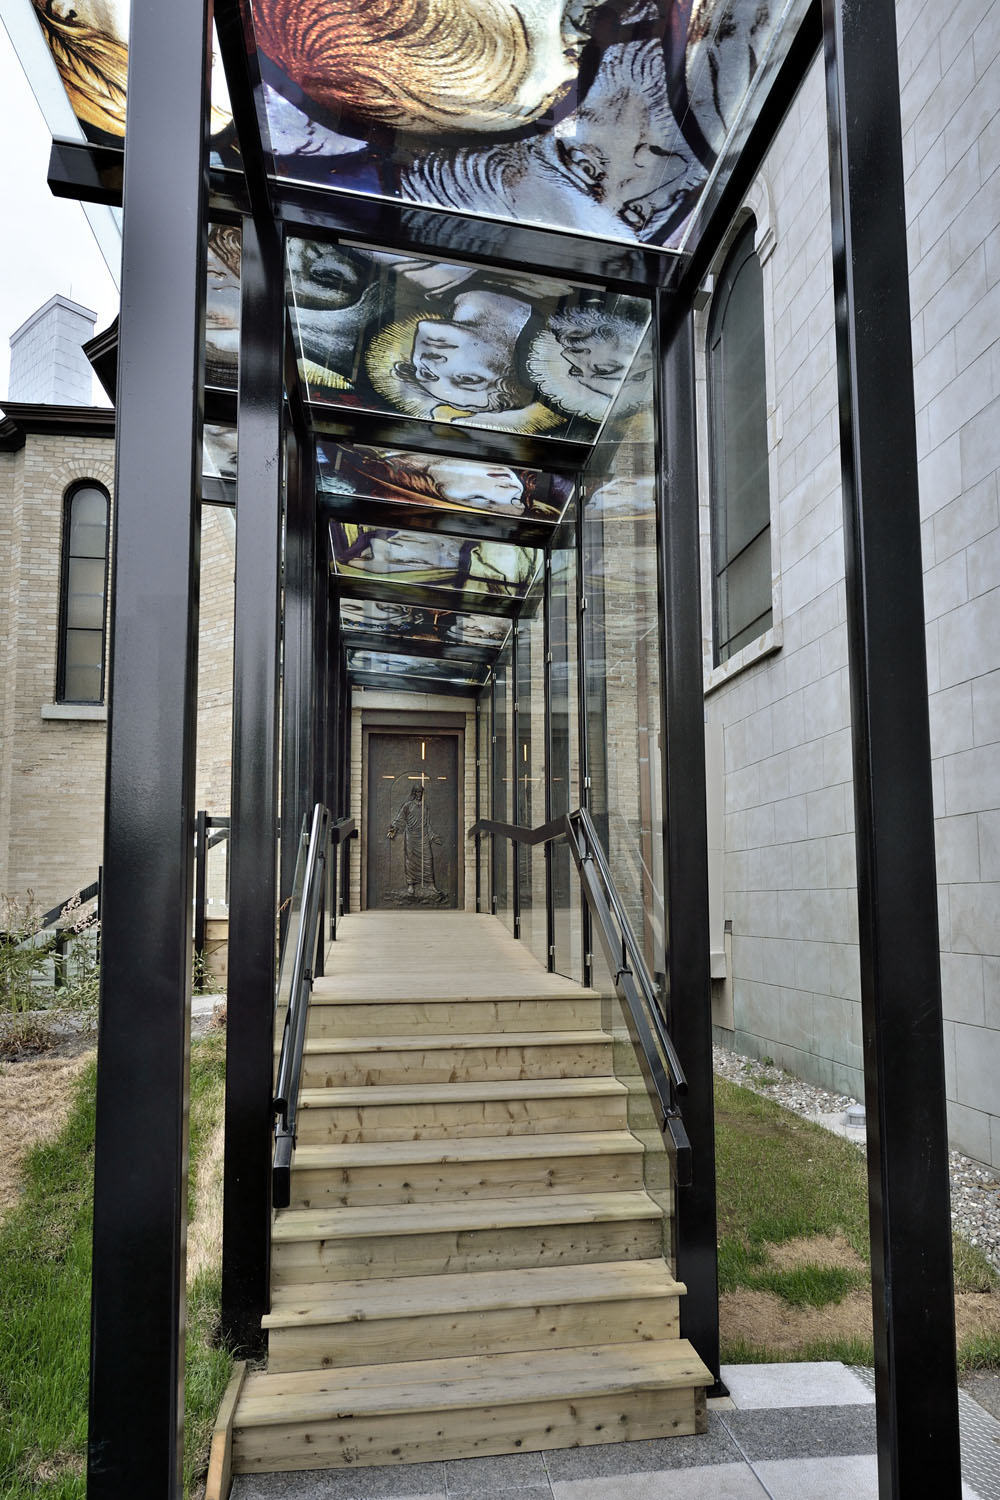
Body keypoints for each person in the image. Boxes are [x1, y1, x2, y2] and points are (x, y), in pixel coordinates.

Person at [388, 786, 442, 897]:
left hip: (423, 836)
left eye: (420, 792)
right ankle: (411, 884)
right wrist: (393, 830)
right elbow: (399, 819)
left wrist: (433, 836)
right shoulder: (407, 806)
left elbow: (427, 824)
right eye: (417, 792)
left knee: (428, 859)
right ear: (414, 793)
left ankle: (431, 884)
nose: (419, 794)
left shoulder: (425, 807)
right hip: (411, 837)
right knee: (411, 860)